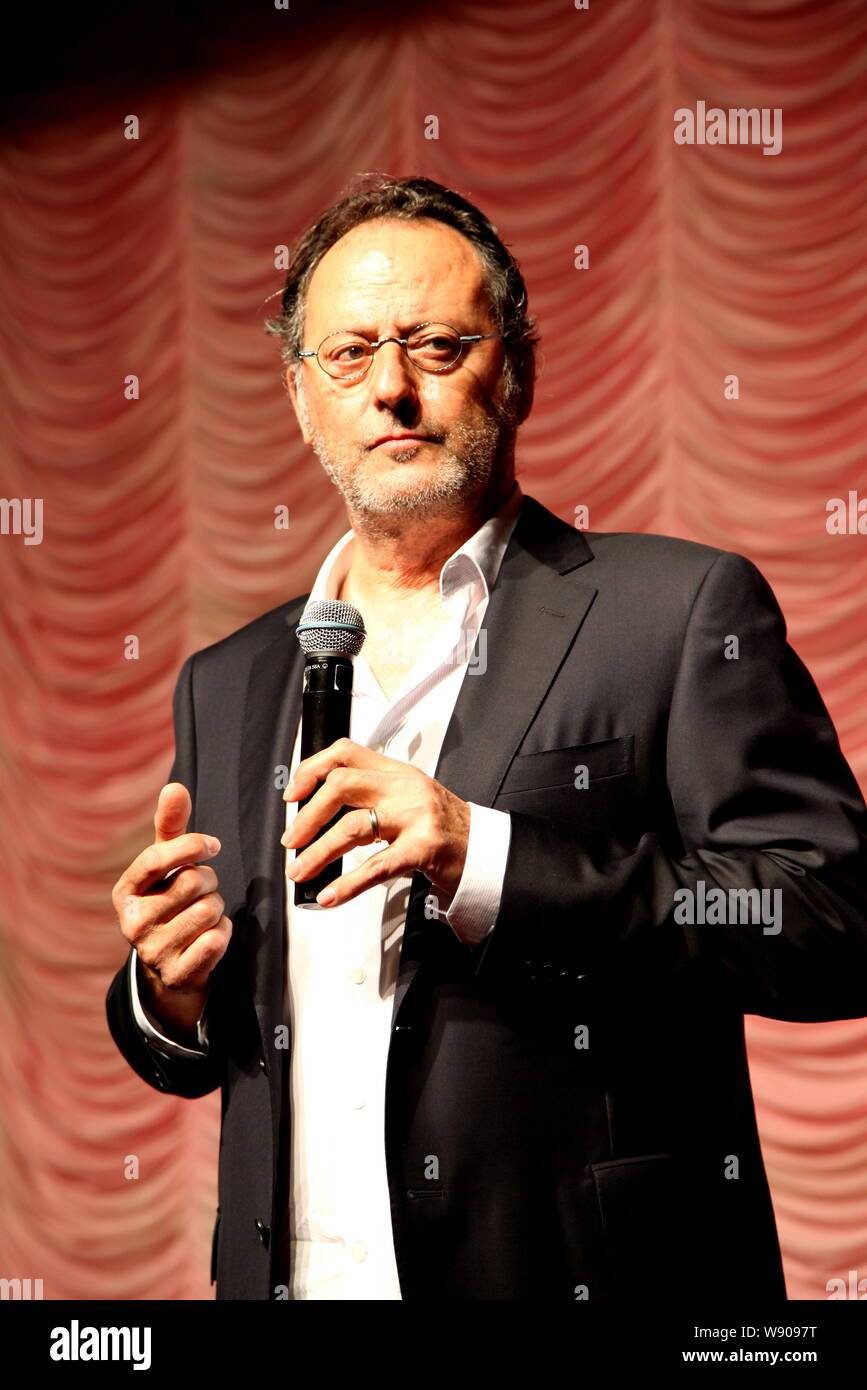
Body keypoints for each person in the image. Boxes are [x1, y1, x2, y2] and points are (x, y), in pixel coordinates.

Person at [106, 174, 867, 1302]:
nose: (391, 388)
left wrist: (491, 859)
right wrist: (166, 990)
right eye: (349, 354)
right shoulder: (225, 681)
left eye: (436, 345)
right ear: (301, 396)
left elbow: (831, 920)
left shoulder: (676, 612)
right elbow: (216, 1046)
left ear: (516, 370)